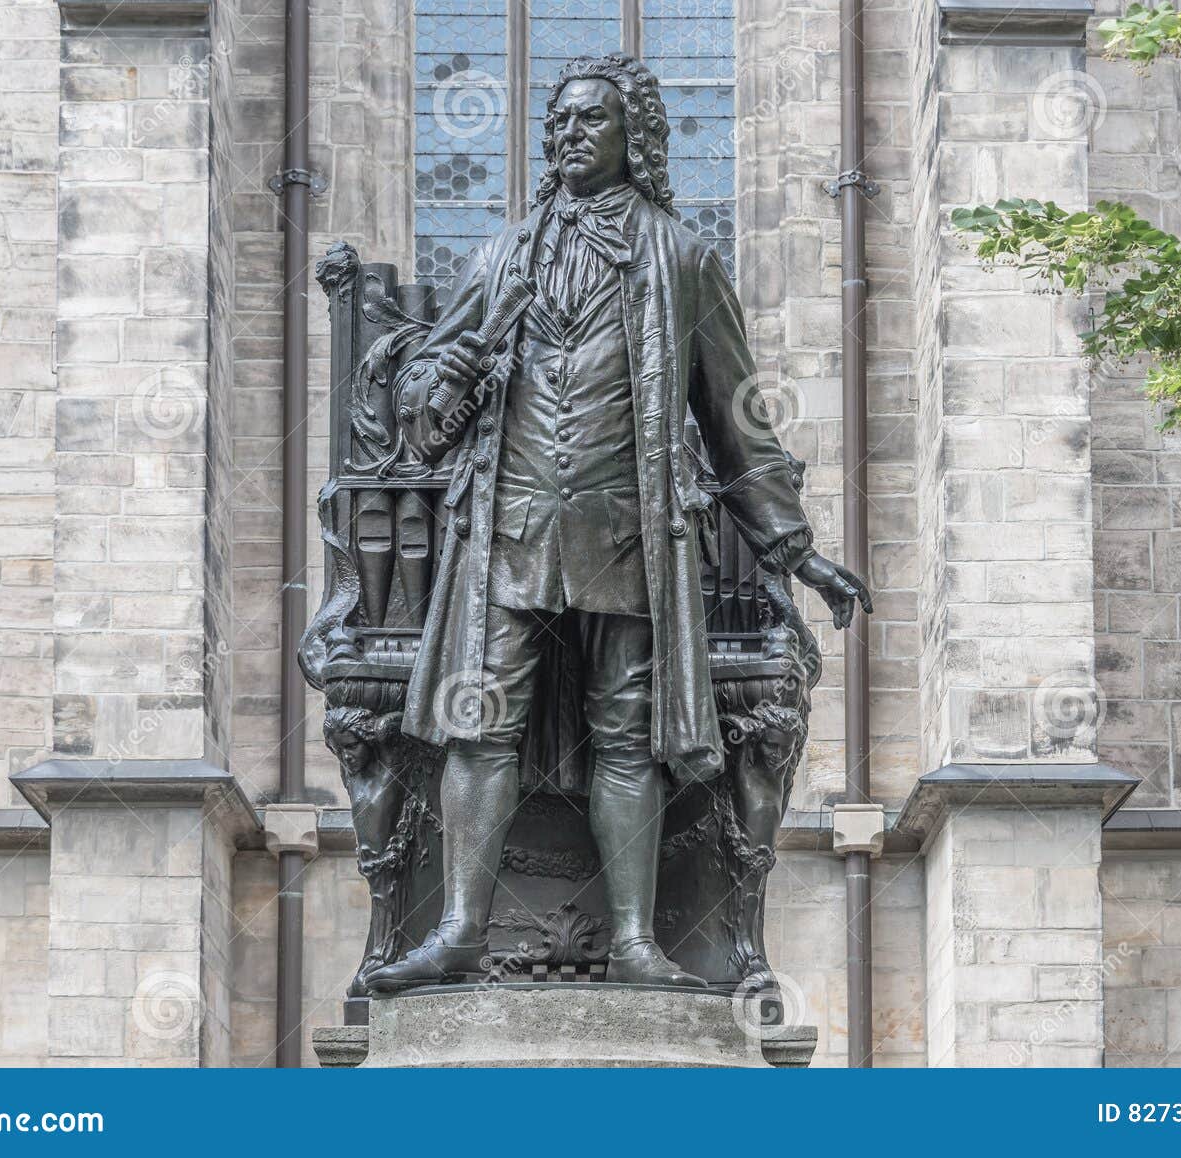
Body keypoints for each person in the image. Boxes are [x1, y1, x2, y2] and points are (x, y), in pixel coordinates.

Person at [368, 54, 870, 990]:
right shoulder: (501, 256)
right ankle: (462, 932)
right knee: (479, 725)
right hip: (508, 535)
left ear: (634, 140)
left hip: (630, 533)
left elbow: (739, 419)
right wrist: (467, 357)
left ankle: (637, 943)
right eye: (555, 122)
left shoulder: (682, 261)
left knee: (628, 734)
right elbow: (420, 413)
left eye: (587, 122)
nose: (564, 136)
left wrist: (798, 552)